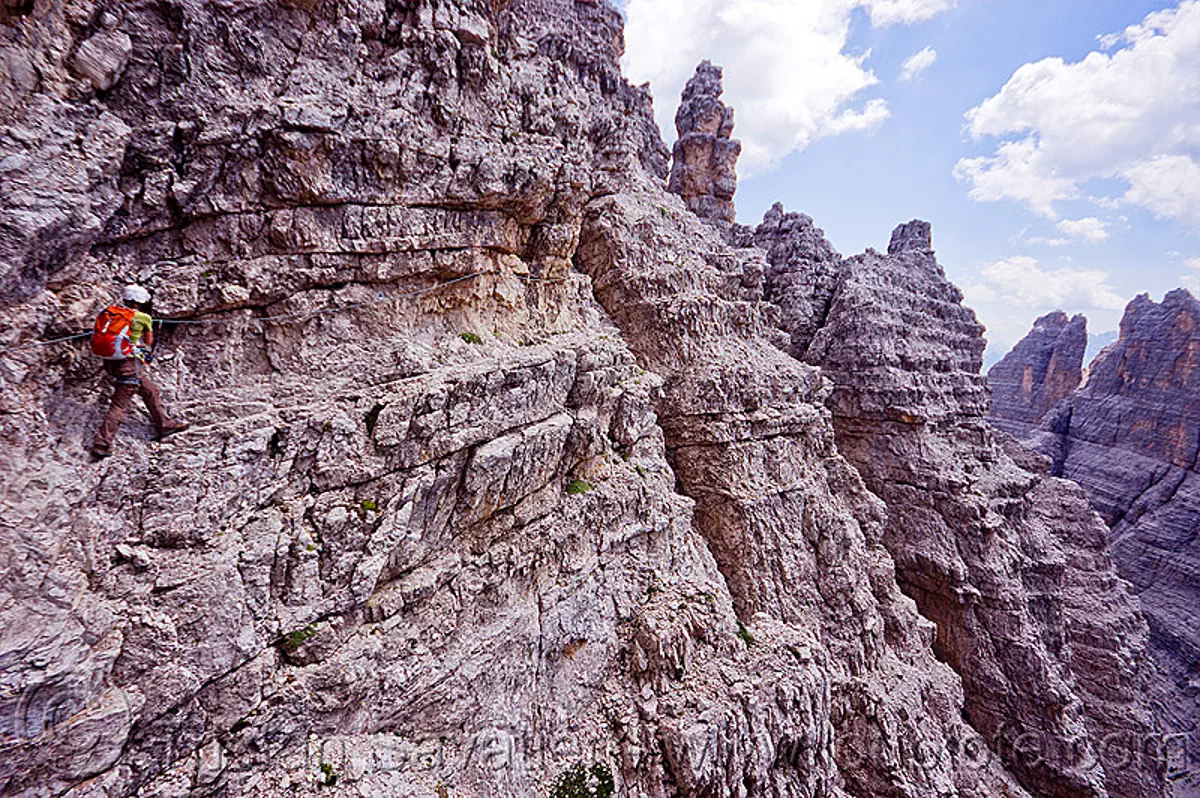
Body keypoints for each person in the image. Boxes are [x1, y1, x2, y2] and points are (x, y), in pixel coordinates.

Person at [89, 285, 189, 459]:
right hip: (129, 364)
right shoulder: (143, 317)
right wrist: (147, 330)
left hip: (110, 362)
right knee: (119, 405)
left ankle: (165, 424)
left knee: (150, 390)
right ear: (141, 302)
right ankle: (102, 443)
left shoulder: (110, 313)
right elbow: (148, 341)